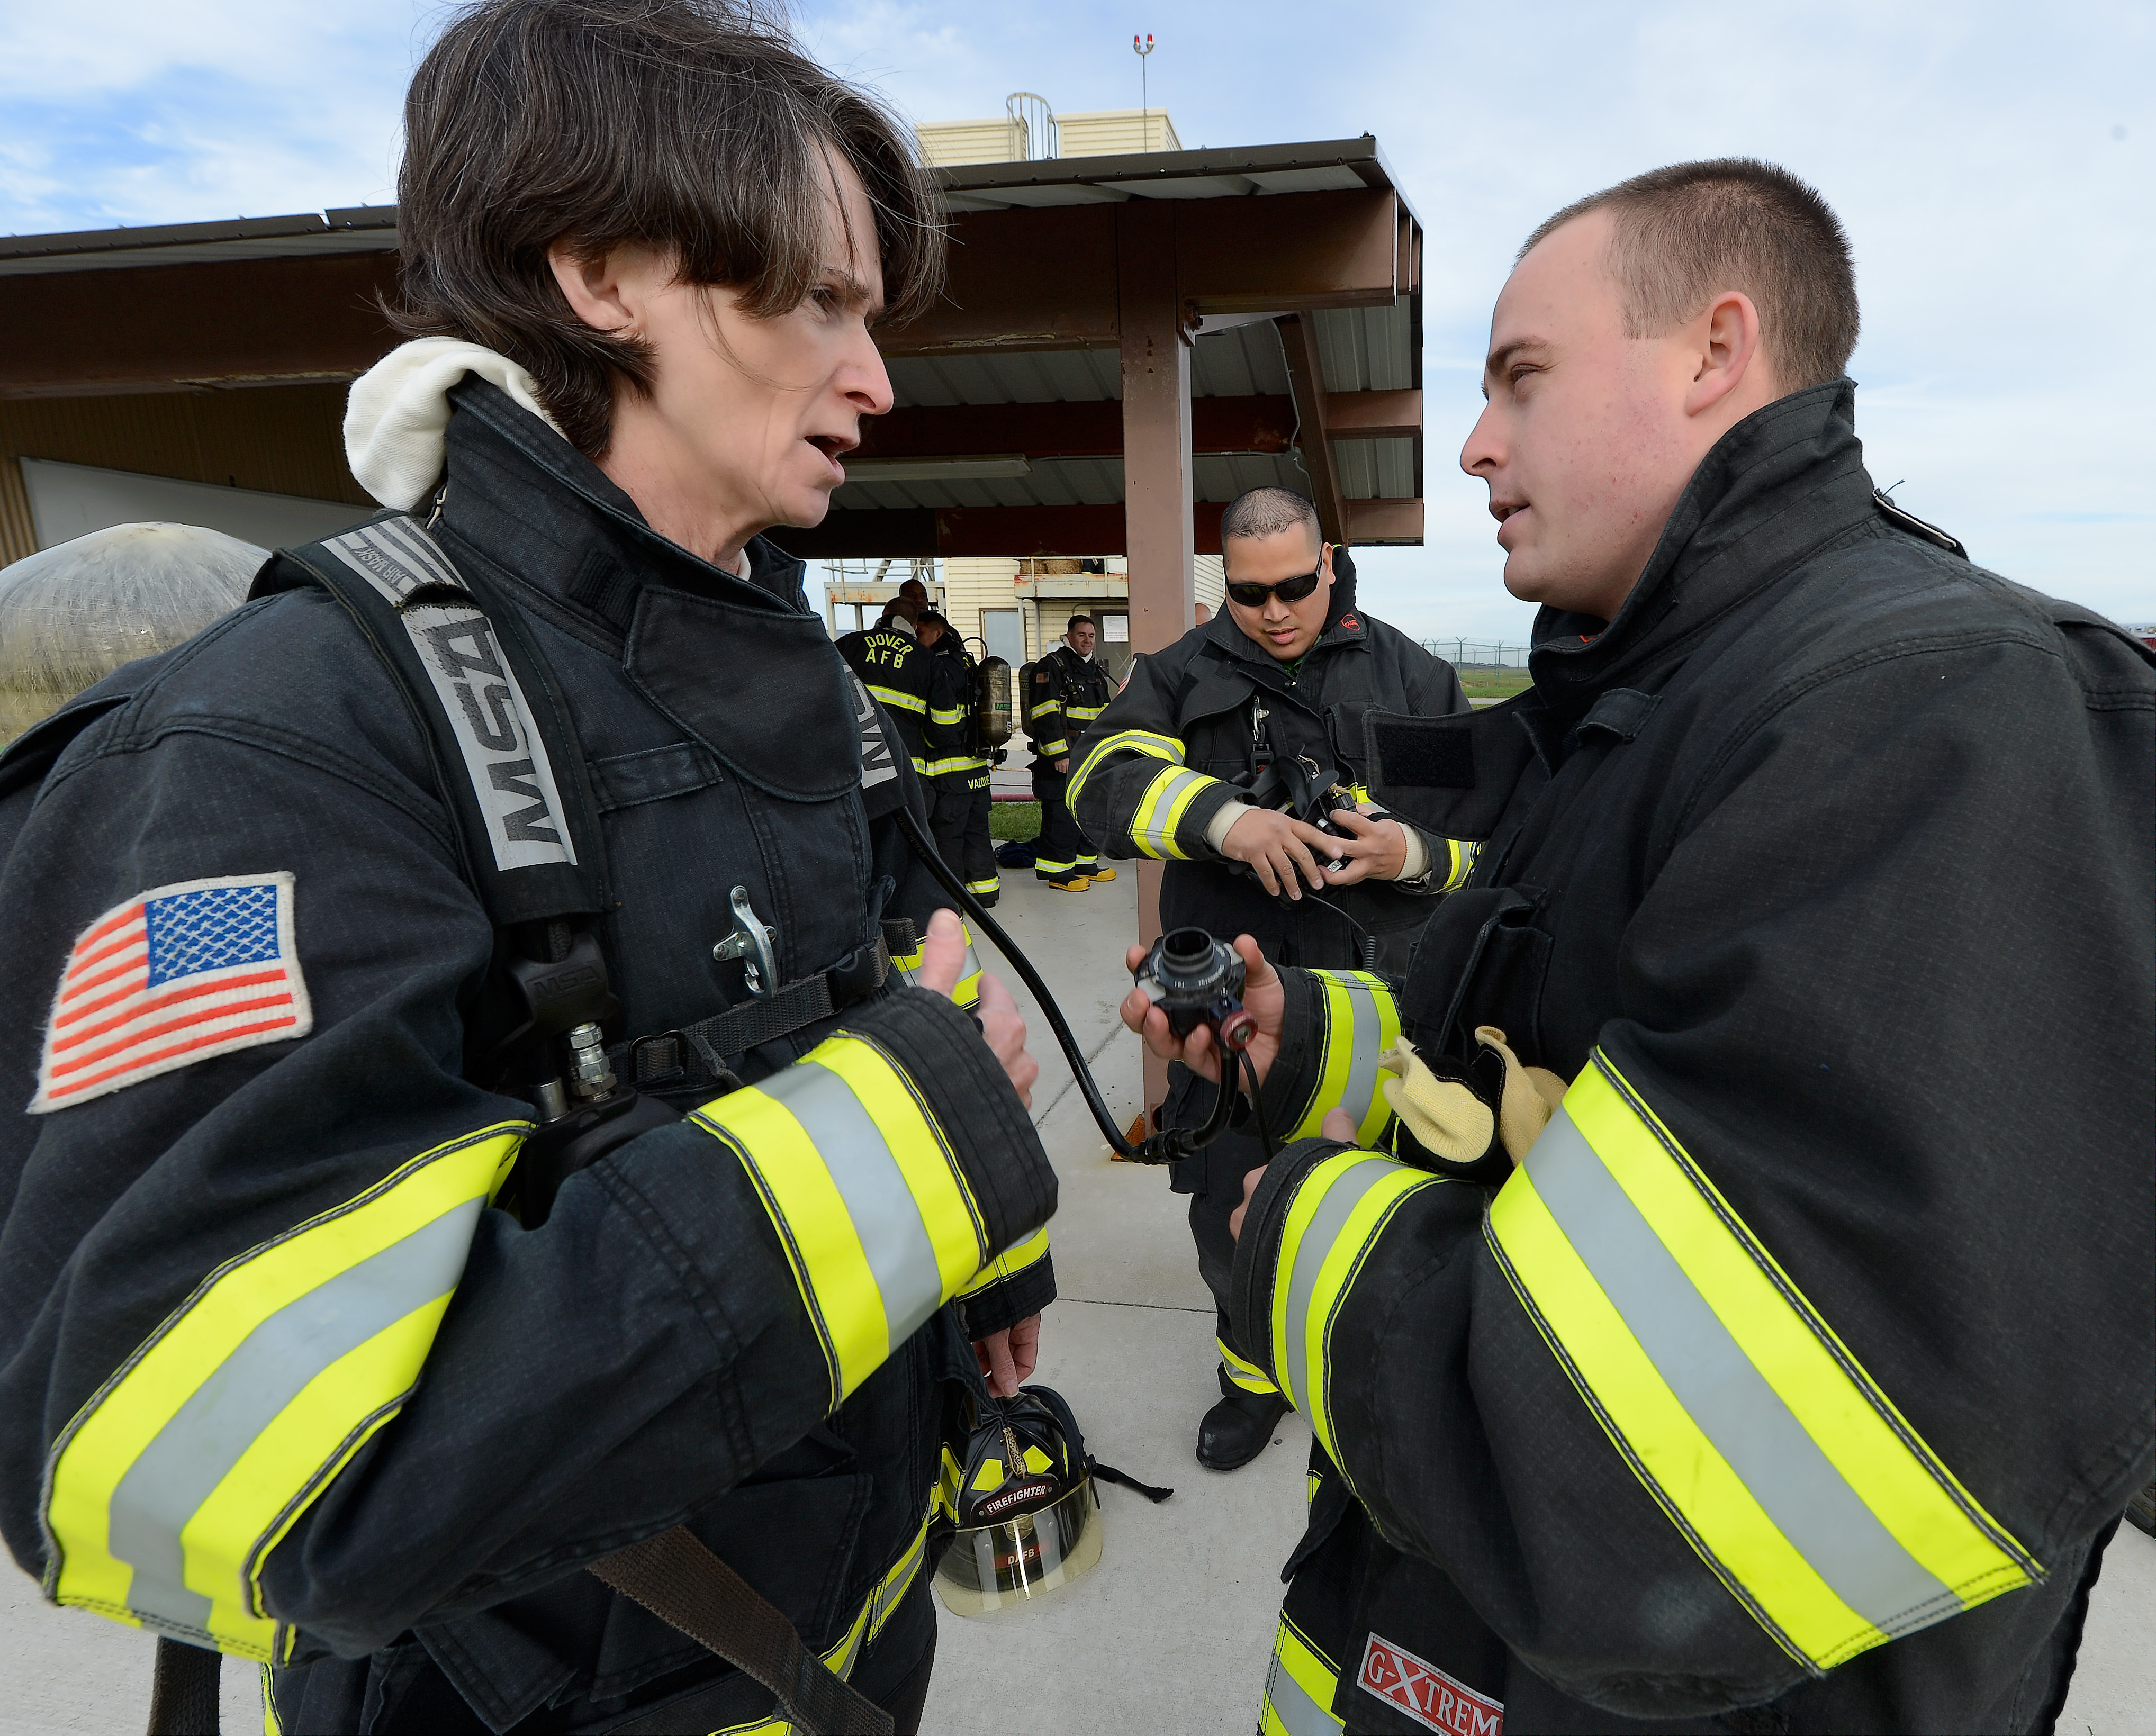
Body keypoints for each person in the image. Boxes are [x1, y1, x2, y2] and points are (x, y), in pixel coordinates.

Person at [0, 5, 1060, 1732]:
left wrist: (973, 1257)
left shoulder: (791, 687)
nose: (877, 379)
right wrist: (913, 1146)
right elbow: (220, 1472)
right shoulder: (290, 735)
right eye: (819, 302)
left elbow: (868, 1013)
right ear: (600, 274)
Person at [1123, 159, 2154, 1733]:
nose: (1473, 443)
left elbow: (1643, 1493)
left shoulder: (1931, 718)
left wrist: (1300, 1233)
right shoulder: (1673, 696)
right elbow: (1580, 1066)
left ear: (1710, 353)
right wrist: (1314, 1039)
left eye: (1519, 377)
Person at [1068, 489, 1471, 1472]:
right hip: (1229, 1015)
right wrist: (1224, 819)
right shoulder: (1177, 673)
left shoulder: (1412, 676)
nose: (1276, 612)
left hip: (1373, 1010)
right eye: (1249, 595)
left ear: (1328, 561)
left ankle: (1364, 1368)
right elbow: (1095, 782)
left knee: (1382, 1202)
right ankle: (1252, 1377)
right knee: (1228, 1211)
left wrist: (1411, 853)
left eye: (1295, 585)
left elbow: (1495, 840)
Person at [1024, 613, 1115, 891]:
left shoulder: (1095, 671)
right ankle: (1059, 873)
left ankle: (1086, 864)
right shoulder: (1051, 666)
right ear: (1069, 636)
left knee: (1086, 810)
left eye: (1091, 636)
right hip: (1062, 757)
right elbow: (1044, 714)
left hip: (1089, 756)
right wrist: (1059, 755)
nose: (1087, 641)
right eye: (1081, 635)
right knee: (1061, 816)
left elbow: (1106, 715)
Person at [915, 610, 1000, 907]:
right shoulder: (966, 661)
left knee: (949, 837)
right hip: (976, 769)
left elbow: (943, 726)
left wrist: (924, 741)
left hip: (950, 770)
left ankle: (953, 899)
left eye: (920, 632)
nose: (916, 638)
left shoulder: (938, 666)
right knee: (977, 833)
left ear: (937, 633)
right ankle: (986, 893)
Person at [836, 595, 931, 774]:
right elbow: (942, 727)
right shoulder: (926, 658)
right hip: (906, 765)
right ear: (915, 627)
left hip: (854, 762)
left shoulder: (848, 644)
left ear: (884, 615)